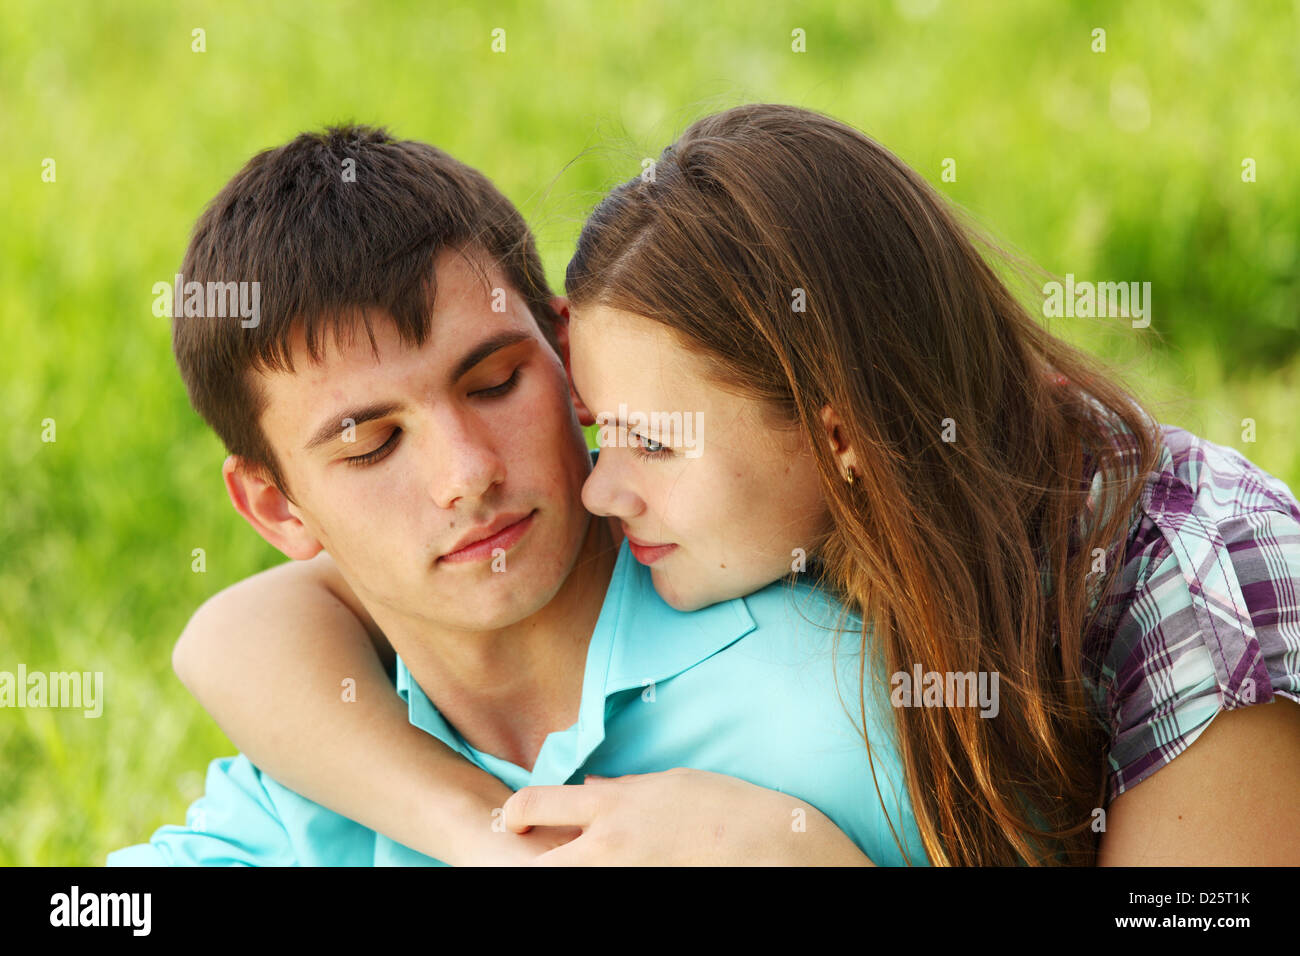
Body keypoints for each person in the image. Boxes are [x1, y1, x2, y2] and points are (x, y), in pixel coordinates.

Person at [132, 105, 1300, 866]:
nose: (587, 486)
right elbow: (239, 629)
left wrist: (800, 852)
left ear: (839, 437)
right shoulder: (350, 713)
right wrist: (485, 834)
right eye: (370, 444)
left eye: (645, 438)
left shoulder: (1180, 589)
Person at [106, 122, 925, 867]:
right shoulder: (309, 779)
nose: (466, 473)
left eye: (496, 384)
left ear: (569, 356)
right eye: (372, 445)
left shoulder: (850, 707)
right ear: (276, 508)